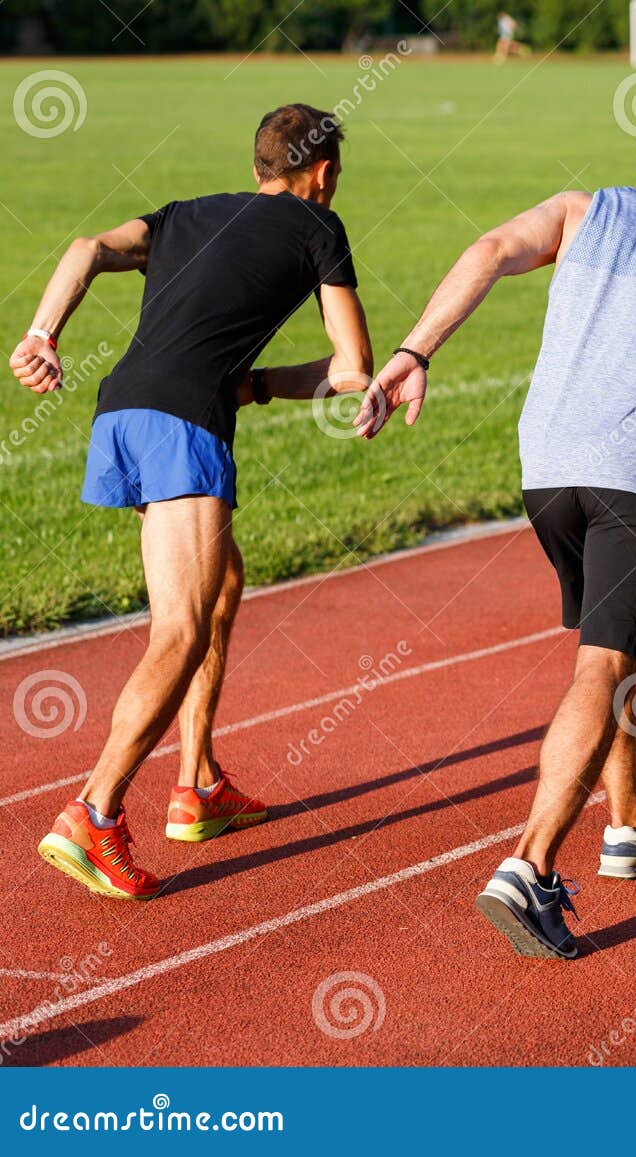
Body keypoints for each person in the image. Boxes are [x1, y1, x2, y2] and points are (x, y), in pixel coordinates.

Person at [360, 92, 636, 958]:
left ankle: (630, 823)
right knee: (605, 663)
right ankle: (530, 866)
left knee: (605, 651)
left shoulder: (578, 210)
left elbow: (486, 250)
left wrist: (412, 354)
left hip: (546, 472)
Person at [11, 104, 375, 900]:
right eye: (333, 172)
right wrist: (265, 387)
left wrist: (42, 335)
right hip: (184, 422)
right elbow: (352, 368)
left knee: (223, 584)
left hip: (122, 412)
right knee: (179, 630)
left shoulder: (184, 214)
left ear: (258, 170)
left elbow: (86, 249)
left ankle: (197, 784)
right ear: (321, 173)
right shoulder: (322, 226)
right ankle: (94, 810)